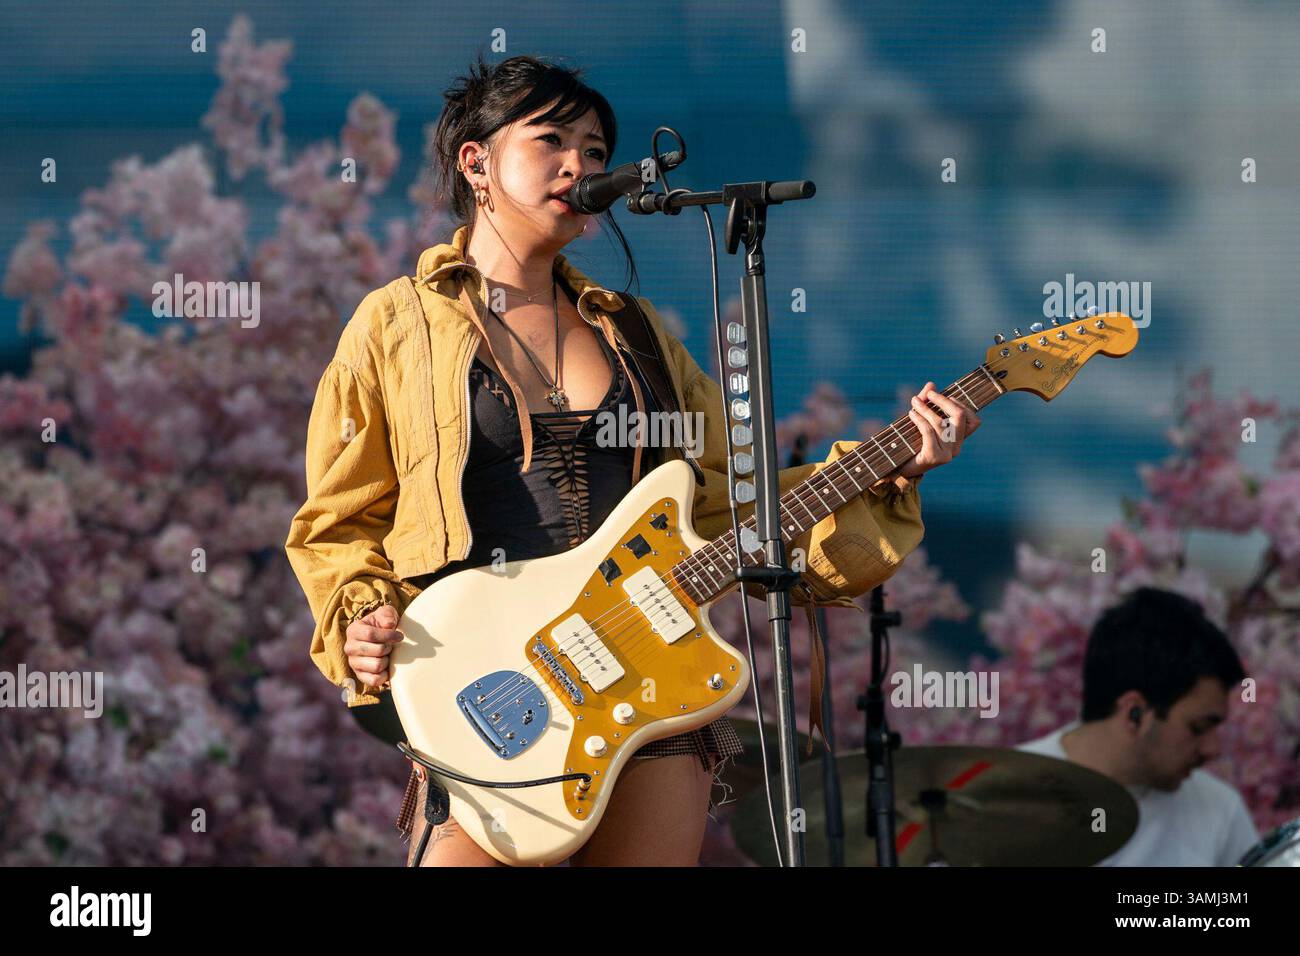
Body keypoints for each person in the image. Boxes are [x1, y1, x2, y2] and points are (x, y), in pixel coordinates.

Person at [285, 53, 980, 866]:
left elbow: (735, 506)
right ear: (476, 162)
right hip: (490, 688)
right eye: (551, 141)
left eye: (593, 148)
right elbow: (337, 520)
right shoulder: (396, 325)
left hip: (648, 682)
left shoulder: (639, 334)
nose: (580, 164)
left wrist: (896, 464)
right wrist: (359, 614)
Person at [1018, 586, 1260, 866]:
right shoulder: (1004, 797)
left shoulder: (1219, 811)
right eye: (1198, 727)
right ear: (1134, 712)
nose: (1213, 749)